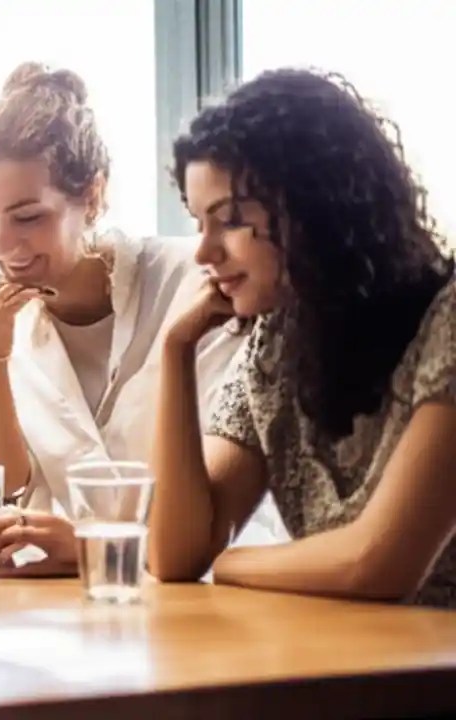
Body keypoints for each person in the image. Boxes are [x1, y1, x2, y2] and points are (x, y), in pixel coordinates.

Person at [149, 68, 456, 607]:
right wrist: (175, 350)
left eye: (232, 220)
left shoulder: (447, 321)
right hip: (353, 668)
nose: (203, 253)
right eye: (199, 222)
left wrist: (228, 562)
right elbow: (174, 556)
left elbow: (378, 564)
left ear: (316, 208)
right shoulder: (277, 344)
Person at [0, 63, 275, 577]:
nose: (2, 247)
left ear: (92, 196)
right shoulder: (6, 319)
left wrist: (91, 544)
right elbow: (7, 484)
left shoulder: (201, 283)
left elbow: (216, 493)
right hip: (83, 601)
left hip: (217, 593)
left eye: (28, 218)